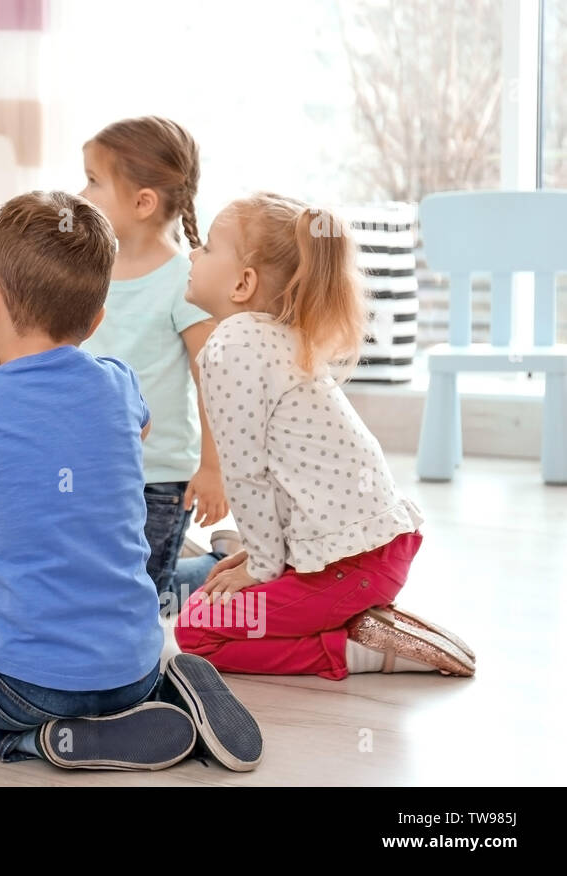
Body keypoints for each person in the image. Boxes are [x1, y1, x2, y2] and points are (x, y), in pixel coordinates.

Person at [0, 191, 263, 771]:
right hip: (133, 666)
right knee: (109, 675)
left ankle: (43, 740)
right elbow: (121, 448)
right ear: (97, 320)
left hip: (26, 680)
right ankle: (164, 696)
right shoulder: (120, 384)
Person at [175, 192, 476, 679]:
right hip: (368, 555)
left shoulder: (232, 344)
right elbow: (285, 477)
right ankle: (359, 622)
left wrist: (262, 569)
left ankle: (360, 648)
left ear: (243, 282)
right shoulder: (269, 336)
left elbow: (247, 475)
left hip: (352, 565)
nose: (193, 253)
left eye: (207, 247)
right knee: (218, 593)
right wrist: (256, 555)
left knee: (197, 631)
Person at [79, 117, 237, 612]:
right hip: (93, 469)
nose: (80, 192)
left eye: (93, 181)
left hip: (159, 477)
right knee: (103, 584)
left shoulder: (183, 280)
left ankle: (216, 569)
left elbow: (209, 375)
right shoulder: (88, 269)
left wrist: (213, 467)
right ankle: (187, 565)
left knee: (142, 600)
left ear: (143, 202)